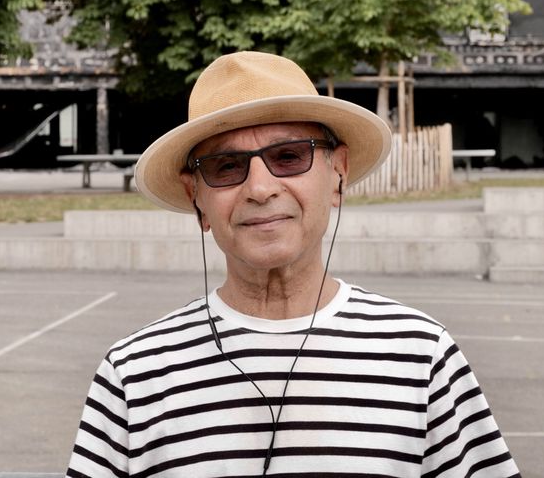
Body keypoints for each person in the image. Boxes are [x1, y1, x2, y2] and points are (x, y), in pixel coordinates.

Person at [67, 51, 519, 477]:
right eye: (226, 166)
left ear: (338, 174)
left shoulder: (423, 357)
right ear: (196, 199)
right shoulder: (134, 374)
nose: (260, 188)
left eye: (288, 156)